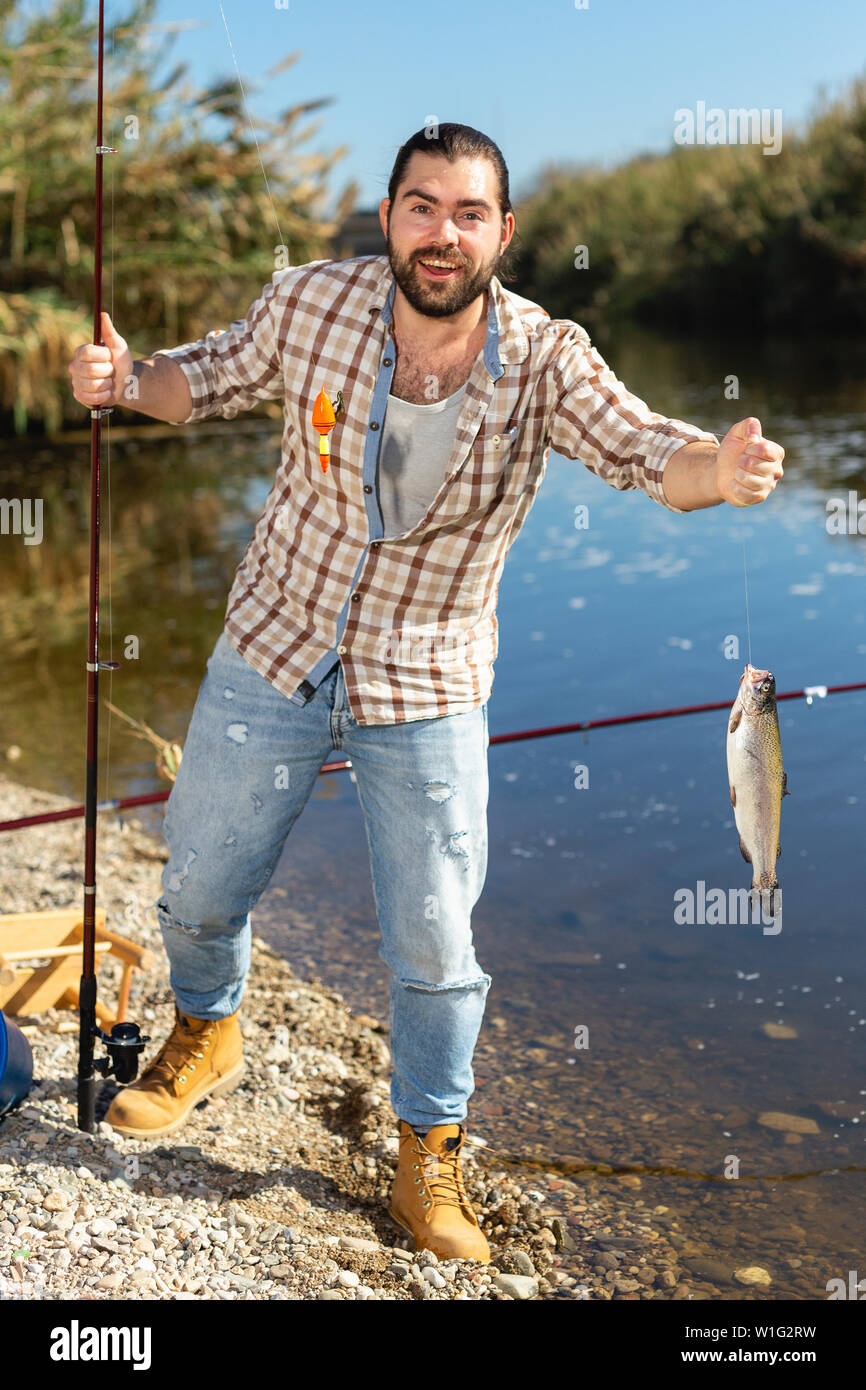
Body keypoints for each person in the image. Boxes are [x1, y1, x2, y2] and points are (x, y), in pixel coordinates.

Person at [68, 122, 785, 1262]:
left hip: (430, 676)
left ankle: (426, 1156)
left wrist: (724, 471)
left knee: (437, 945)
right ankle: (206, 1030)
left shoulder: (546, 356)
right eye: (419, 207)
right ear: (390, 215)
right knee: (199, 883)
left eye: (465, 213)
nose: (439, 234)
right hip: (273, 640)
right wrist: (122, 381)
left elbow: (650, 452)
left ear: (502, 232)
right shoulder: (311, 303)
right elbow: (197, 380)